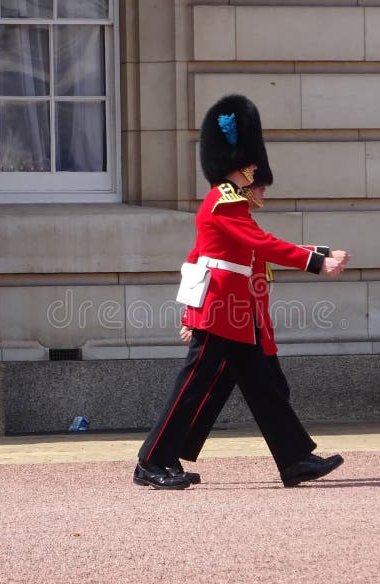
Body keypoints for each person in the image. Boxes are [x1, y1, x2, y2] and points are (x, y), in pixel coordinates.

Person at [133, 94, 349, 490]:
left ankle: (295, 459)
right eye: (251, 163)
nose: (255, 169)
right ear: (236, 164)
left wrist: (187, 312)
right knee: (192, 386)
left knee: (266, 386)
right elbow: (261, 244)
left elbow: (197, 259)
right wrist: (317, 261)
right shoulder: (224, 201)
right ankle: (151, 460)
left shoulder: (229, 204)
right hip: (220, 312)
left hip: (235, 315)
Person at [176, 180, 346, 485]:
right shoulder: (228, 211)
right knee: (204, 394)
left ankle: (295, 461)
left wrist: (322, 253)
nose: (265, 192)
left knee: (269, 389)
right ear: (245, 189)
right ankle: (166, 453)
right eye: (260, 186)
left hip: (249, 322)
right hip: (226, 319)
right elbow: (198, 262)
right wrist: (190, 317)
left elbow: (267, 249)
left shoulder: (242, 219)